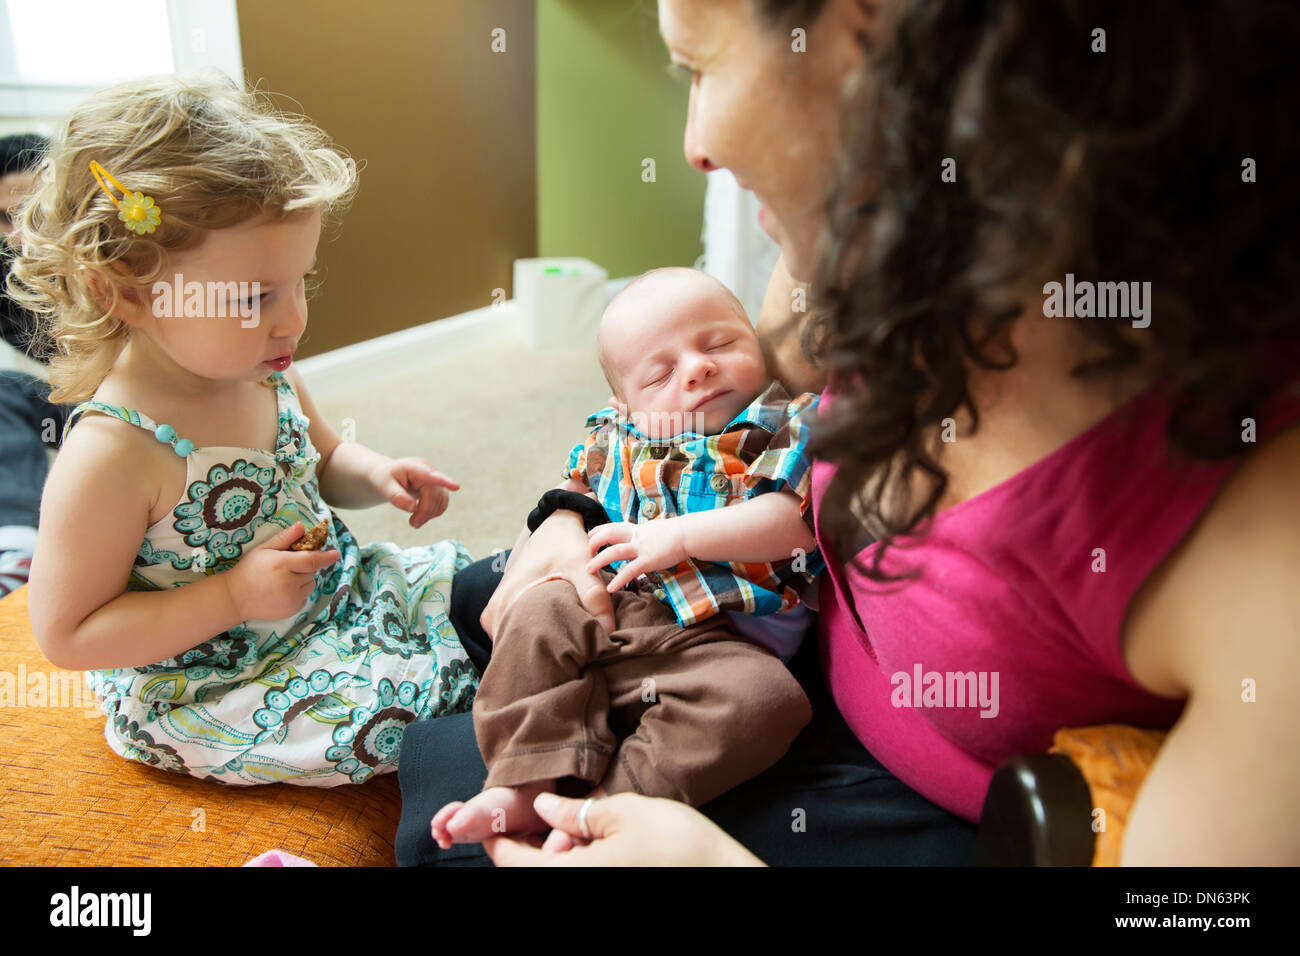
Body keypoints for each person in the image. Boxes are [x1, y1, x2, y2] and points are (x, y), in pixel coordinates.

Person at [396, 0, 1300, 866]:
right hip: (804, 621)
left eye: (701, 67)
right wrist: (566, 514)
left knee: (447, 812)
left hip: (888, 780)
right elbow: (715, 413)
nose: (695, 143)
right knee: (487, 595)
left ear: (898, 64)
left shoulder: (1255, 548)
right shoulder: (860, 268)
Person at [12, 72, 478, 786]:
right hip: (226, 677)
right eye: (256, 296)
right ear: (124, 292)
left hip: (337, 597)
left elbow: (322, 462)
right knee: (408, 721)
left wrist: (375, 472)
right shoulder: (113, 453)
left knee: (499, 580)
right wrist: (230, 598)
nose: (292, 319)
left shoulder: (264, 368)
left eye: (301, 282)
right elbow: (68, 634)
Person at [431, 267, 819, 850]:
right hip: (620, 609)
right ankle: (522, 778)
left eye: (720, 344)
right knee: (534, 612)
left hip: (721, 647)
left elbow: (795, 524)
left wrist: (682, 536)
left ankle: (609, 804)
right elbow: (571, 490)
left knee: (767, 702)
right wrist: (546, 541)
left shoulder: (784, 423)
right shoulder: (617, 434)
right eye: (661, 373)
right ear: (624, 404)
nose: (697, 368)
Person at [0, 132, 62, 599]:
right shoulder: (9, 277)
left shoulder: (121, 261)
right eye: (6, 219)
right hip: (76, 406)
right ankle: (19, 549)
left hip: (140, 408)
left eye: (35, 213)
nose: (21, 235)